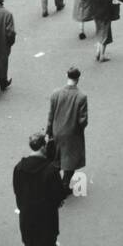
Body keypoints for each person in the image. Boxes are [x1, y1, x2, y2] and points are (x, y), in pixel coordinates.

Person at [13, 132, 64, 246]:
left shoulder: (19, 167)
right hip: (46, 216)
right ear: (43, 146)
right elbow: (57, 194)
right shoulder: (50, 169)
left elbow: (17, 190)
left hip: (27, 214)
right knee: (49, 245)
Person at [46, 68, 88, 198]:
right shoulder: (81, 96)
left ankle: (54, 184)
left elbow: (50, 115)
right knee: (71, 161)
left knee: (56, 159)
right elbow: (83, 120)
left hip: (56, 131)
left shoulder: (56, 93)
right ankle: (64, 186)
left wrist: (48, 131)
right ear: (78, 78)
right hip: (72, 133)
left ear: (66, 76)